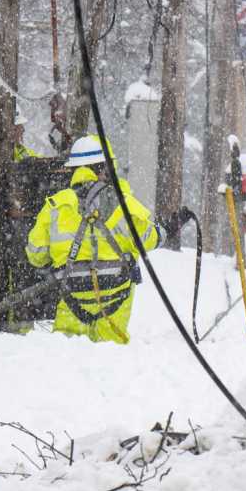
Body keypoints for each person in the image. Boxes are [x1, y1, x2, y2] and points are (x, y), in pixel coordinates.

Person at [25, 135, 160, 344]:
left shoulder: (55, 206)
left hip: (72, 298)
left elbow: (36, 256)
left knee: (66, 356)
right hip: (115, 298)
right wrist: (167, 229)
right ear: (103, 168)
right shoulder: (123, 203)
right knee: (110, 359)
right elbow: (148, 239)